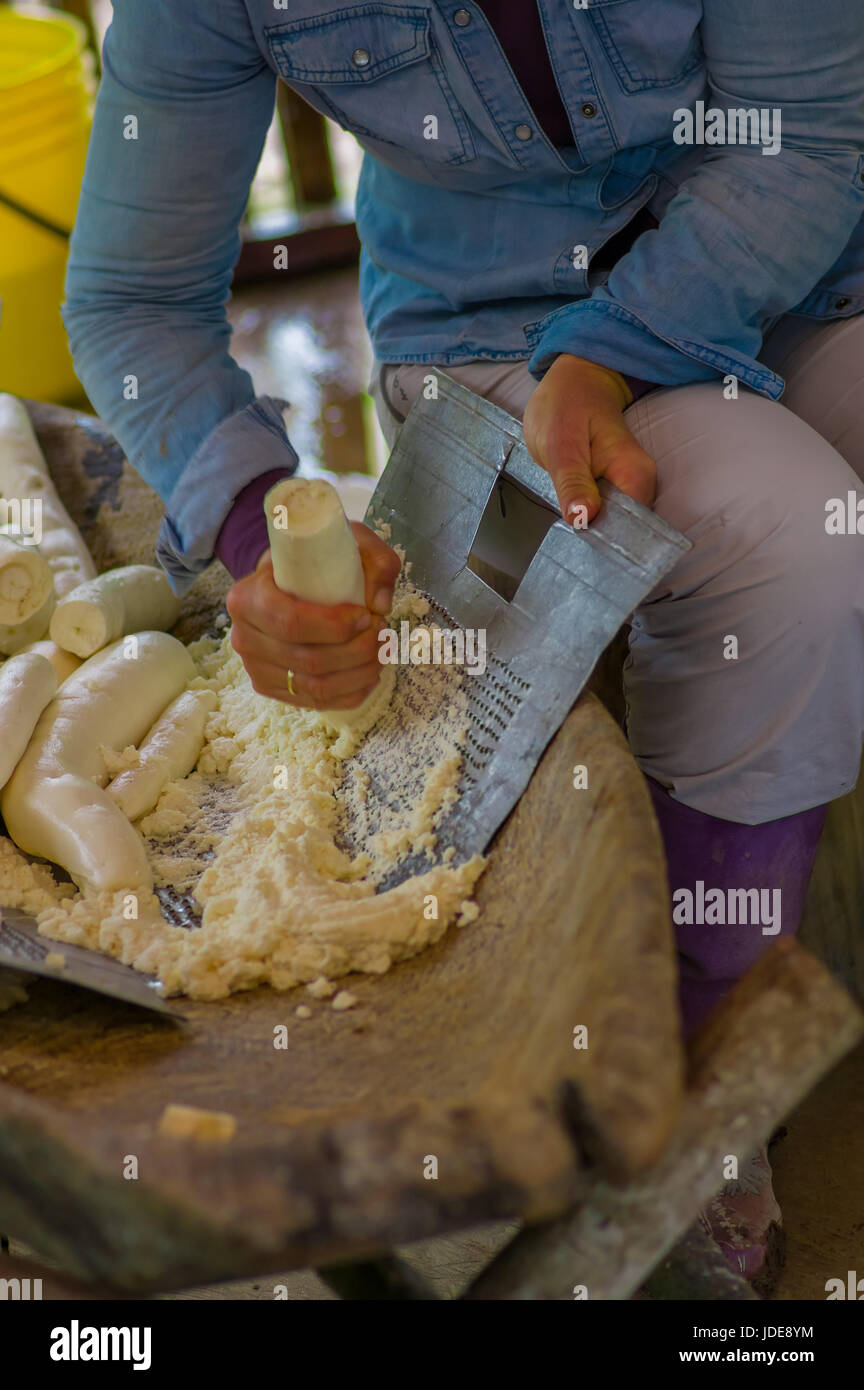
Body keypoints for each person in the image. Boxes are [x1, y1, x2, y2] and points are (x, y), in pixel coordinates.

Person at [63, 2, 864, 1282]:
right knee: (792, 549)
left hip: (809, 249)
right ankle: (704, 1063)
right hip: (493, 326)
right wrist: (255, 534)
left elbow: (808, 137)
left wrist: (610, 358)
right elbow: (130, 299)